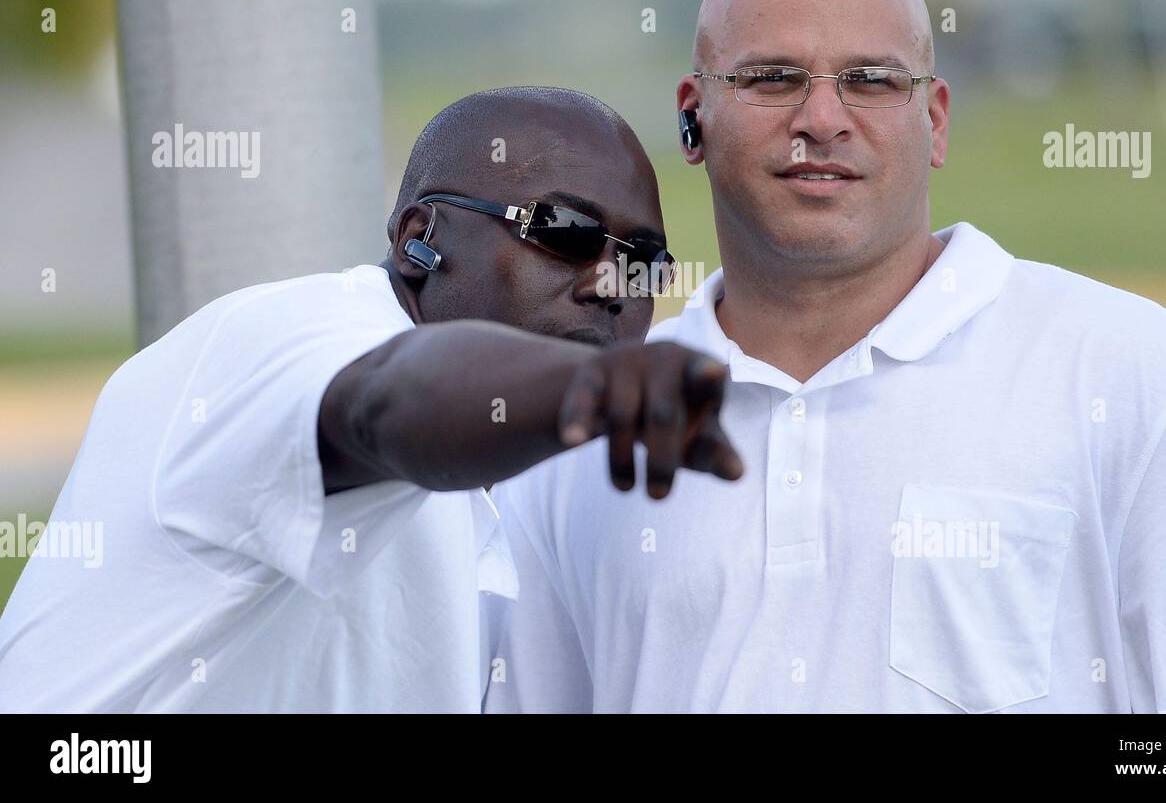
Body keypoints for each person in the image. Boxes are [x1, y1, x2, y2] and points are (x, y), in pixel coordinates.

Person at [483, 0, 1166, 713]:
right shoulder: (590, 423)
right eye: (773, 77)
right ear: (693, 117)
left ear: (935, 120)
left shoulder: (1135, 378)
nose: (823, 119)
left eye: (872, 80)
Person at [0, 86, 741, 712]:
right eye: (565, 231)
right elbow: (384, 401)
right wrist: (586, 385)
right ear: (422, 239)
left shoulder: (502, 476)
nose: (613, 284)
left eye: (643, 264)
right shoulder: (288, 335)